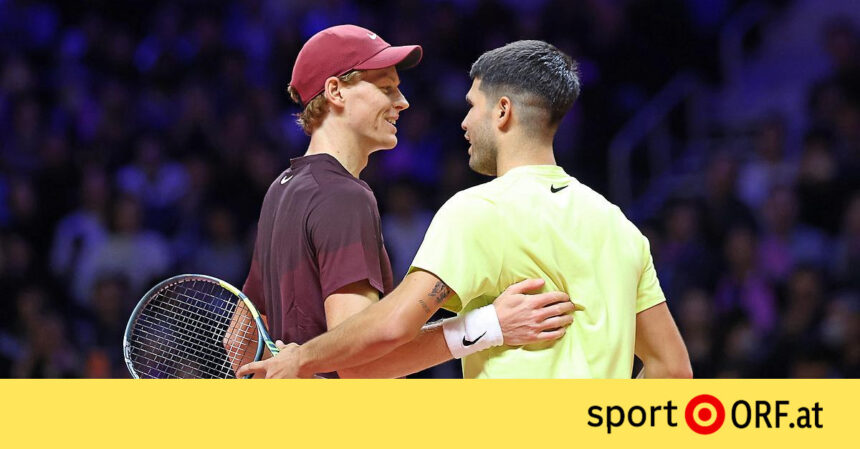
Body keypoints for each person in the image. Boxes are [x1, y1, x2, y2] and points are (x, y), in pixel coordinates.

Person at [239, 40, 692, 379]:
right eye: (387, 88)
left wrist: (300, 358)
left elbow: (377, 340)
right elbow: (673, 371)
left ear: (502, 112)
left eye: (472, 106)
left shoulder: (476, 211)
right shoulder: (620, 226)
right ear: (335, 92)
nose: (463, 122)